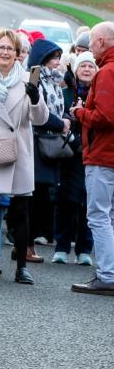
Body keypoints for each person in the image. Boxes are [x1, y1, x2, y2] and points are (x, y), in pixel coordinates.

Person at [0, 29, 48, 284]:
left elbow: (40, 119)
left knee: (20, 209)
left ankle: (22, 267)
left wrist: (36, 99)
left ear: (17, 54)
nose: (5, 52)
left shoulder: (29, 80)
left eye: (10, 49)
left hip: (18, 150)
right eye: (1, 47)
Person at [69, 22, 114, 295]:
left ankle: (107, 274)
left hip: (103, 155)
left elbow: (106, 116)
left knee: (98, 216)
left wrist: (79, 113)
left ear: (100, 42)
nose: (91, 45)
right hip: (109, 155)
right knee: (109, 217)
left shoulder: (107, 72)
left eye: (93, 41)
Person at [29, 39, 68, 260]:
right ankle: (25, 244)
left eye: (59, 58)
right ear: (43, 58)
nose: (57, 62)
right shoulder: (35, 76)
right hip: (36, 142)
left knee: (43, 197)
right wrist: (60, 123)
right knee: (33, 196)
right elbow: (36, 110)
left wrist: (66, 118)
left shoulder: (56, 80)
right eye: (54, 57)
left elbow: (60, 107)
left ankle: (29, 241)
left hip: (51, 143)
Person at [55, 51, 96, 265]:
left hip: (93, 153)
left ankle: (84, 250)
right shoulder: (66, 92)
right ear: (76, 70)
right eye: (83, 66)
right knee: (67, 201)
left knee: (89, 203)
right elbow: (59, 115)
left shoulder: (100, 92)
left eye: (91, 66)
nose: (87, 70)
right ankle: (61, 247)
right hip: (69, 154)